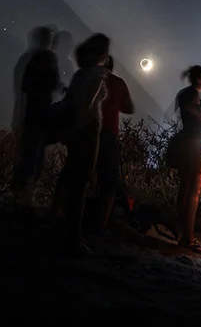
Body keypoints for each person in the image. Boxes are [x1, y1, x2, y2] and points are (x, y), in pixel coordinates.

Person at [53, 34, 109, 254]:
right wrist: (76, 128)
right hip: (86, 131)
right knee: (80, 182)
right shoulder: (95, 74)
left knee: (71, 178)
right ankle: (73, 238)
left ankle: (62, 226)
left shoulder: (80, 75)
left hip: (78, 130)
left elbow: (72, 103)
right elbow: (87, 105)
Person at [11, 27, 60, 205]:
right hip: (39, 116)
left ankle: (18, 198)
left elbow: (22, 88)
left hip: (29, 114)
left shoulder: (27, 58)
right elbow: (53, 84)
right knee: (33, 160)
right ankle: (24, 201)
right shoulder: (46, 58)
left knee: (26, 158)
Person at [93, 54, 135, 234]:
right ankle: (101, 225)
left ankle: (64, 215)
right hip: (108, 133)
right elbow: (129, 108)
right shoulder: (118, 83)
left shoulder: (87, 78)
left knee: (78, 174)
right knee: (109, 180)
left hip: (87, 131)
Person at [170, 65, 201, 251]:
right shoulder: (192, 95)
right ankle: (188, 236)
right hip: (193, 144)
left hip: (184, 143)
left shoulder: (183, 93)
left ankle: (181, 231)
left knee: (184, 189)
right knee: (194, 191)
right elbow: (193, 113)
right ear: (200, 79)